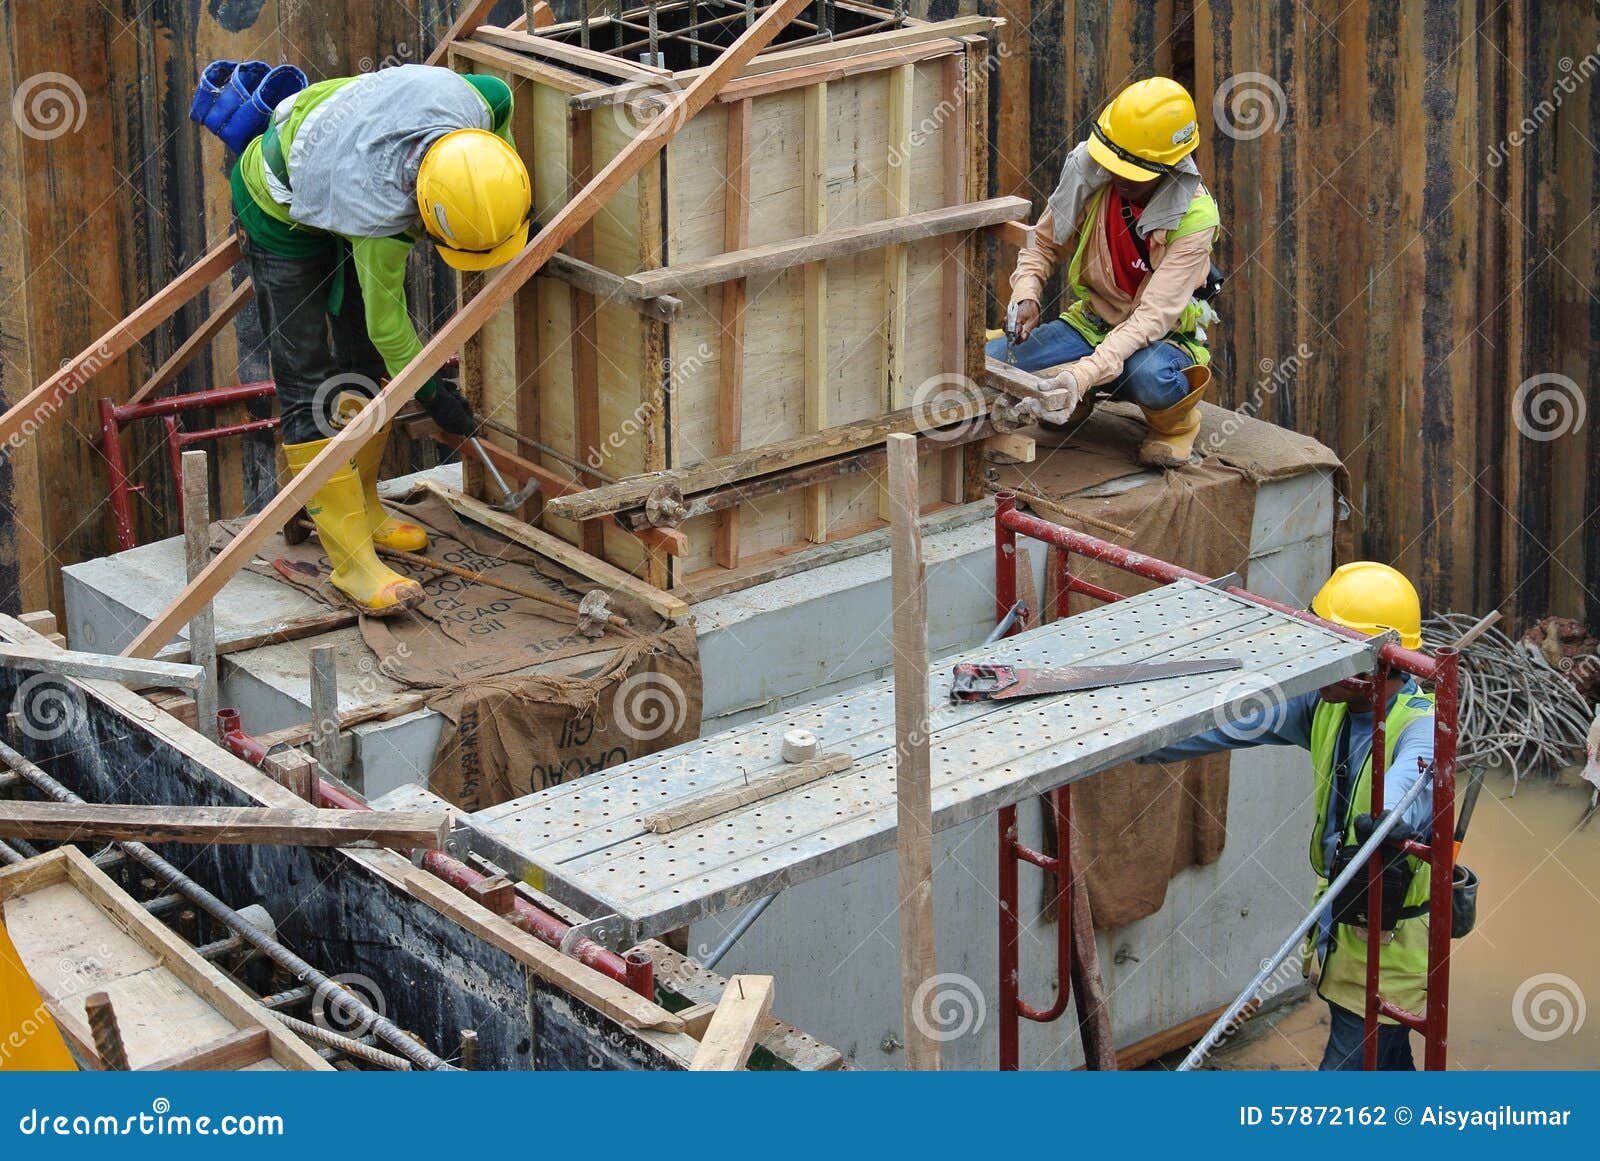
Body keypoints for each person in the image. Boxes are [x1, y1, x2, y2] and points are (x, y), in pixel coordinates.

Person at [231, 63, 533, 613]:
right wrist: (434, 394)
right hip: (280, 205)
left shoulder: (480, 104)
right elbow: (386, 324)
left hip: (344, 150)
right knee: (312, 380)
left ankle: (364, 507)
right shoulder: (379, 218)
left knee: (362, 367)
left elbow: (502, 102)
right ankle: (351, 566)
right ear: (420, 210)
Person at [1144, 562, 1437, 1069]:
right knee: (1387, 1067)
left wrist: (1388, 814)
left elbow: (1413, 783)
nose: (1315, 663)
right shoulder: (1326, 706)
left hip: (1390, 950)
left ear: (1378, 665)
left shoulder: (1422, 728)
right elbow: (1229, 722)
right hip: (1344, 925)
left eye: (1334, 652)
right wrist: (1132, 741)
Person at [990, 77, 1222, 467]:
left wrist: (1081, 375)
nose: (1119, 176)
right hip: (1092, 324)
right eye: (1115, 164)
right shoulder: (1093, 174)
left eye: (1134, 169)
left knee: (1148, 376)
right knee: (993, 360)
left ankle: (1175, 425)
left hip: (1160, 339)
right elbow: (1045, 243)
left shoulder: (1195, 218)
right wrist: (1026, 294)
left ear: (1167, 166)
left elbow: (1151, 318)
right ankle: (1080, 399)